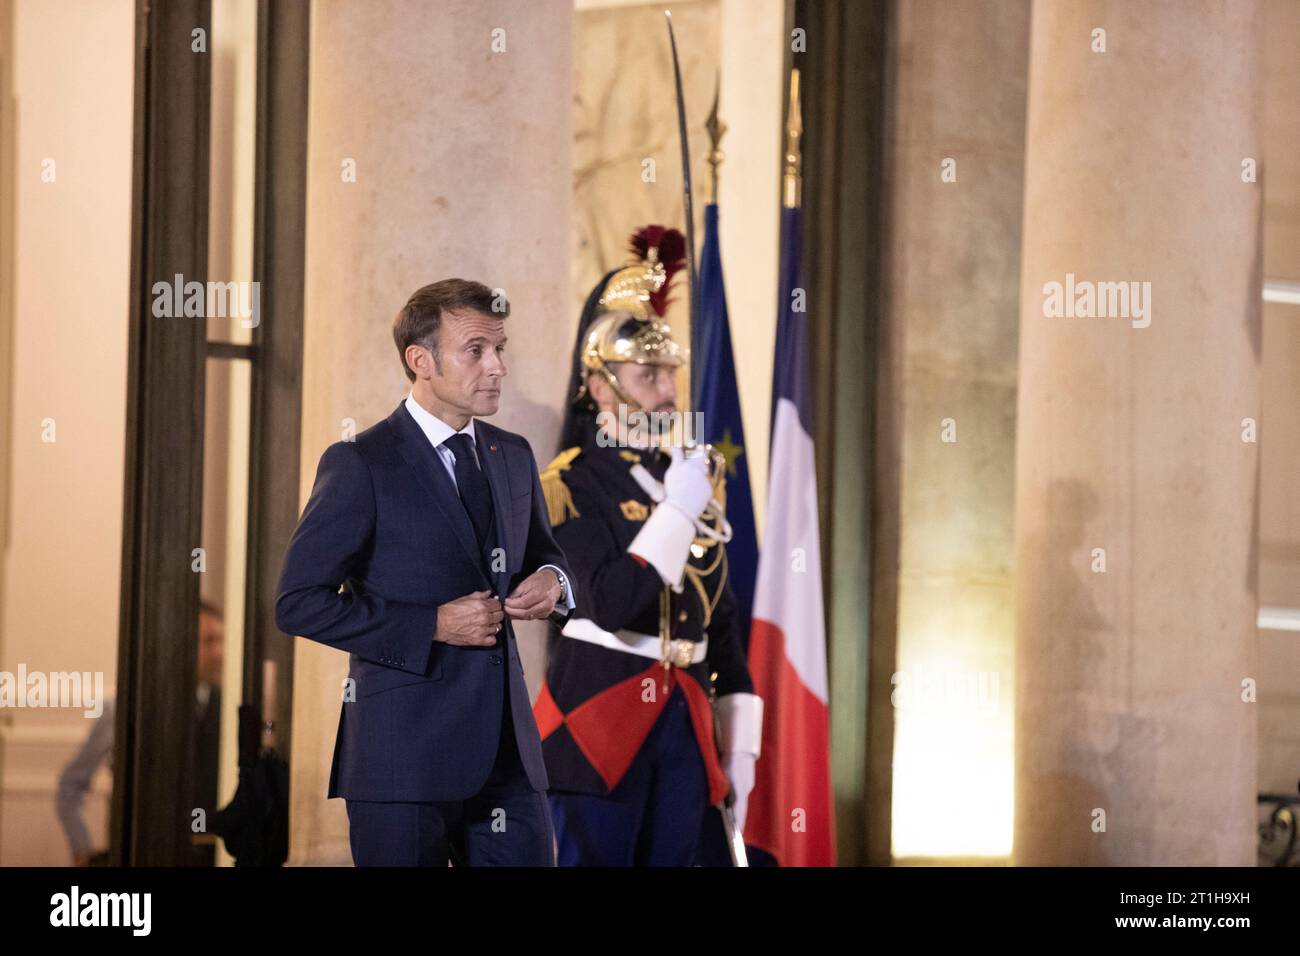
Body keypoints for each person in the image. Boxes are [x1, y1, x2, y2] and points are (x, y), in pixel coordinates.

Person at [275, 278, 575, 867]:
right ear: (421, 361)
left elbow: (546, 552)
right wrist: (431, 624)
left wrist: (554, 581)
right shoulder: (361, 462)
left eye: (500, 348)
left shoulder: (512, 454)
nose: (497, 366)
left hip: (510, 758)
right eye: (476, 351)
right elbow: (298, 601)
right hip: (401, 761)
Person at [534, 227, 763, 865]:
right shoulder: (571, 482)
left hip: (687, 723)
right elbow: (609, 600)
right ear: (601, 385)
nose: (667, 390)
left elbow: (721, 625)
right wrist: (679, 508)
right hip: (599, 719)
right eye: (648, 373)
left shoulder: (686, 481)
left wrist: (740, 748)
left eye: (670, 373)